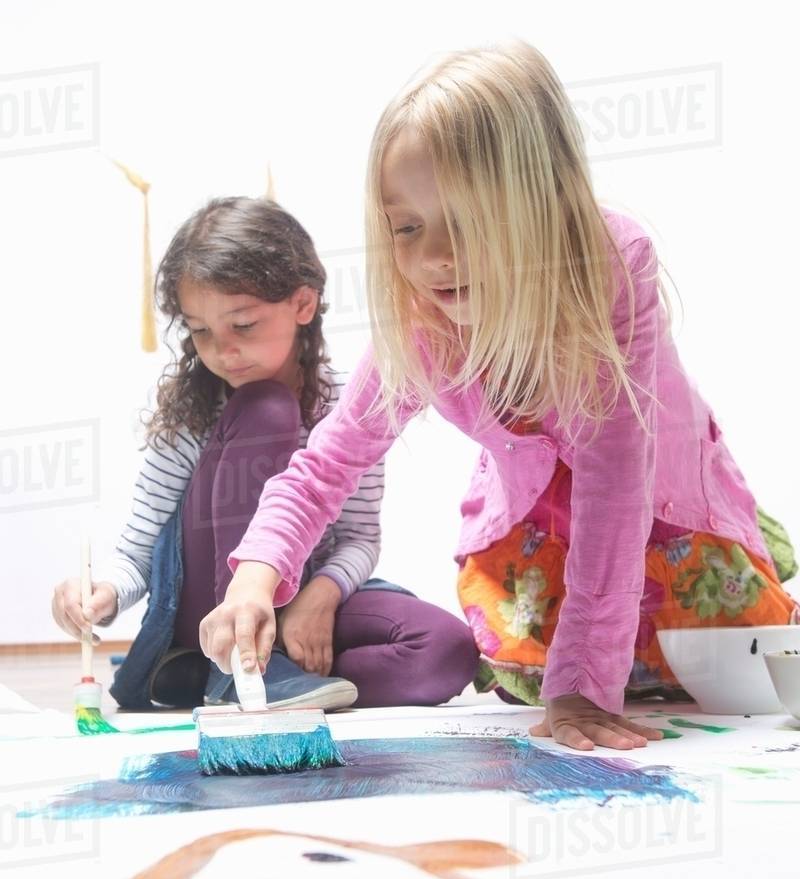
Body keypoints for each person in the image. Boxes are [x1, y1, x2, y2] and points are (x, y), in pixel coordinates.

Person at [197, 43, 799, 750]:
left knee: (734, 660)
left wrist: (581, 689)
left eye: (466, 220)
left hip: (659, 501)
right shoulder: (424, 322)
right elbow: (326, 466)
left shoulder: (612, 267)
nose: (432, 259)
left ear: (541, 202)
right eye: (407, 227)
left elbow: (615, 487)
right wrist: (255, 582)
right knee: (526, 662)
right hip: (534, 514)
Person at [51, 196, 478, 710]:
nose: (221, 351)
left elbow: (360, 537)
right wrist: (102, 593)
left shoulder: (348, 402)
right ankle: (236, 665)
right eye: (201, 331)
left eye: (243, 325)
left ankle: (256, 677)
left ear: (302, 304)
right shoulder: (194, 413)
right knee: (268, 408)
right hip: (210, 604)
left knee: (447, 649)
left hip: (291, 598)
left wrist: (319, 599)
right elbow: (140, 550)